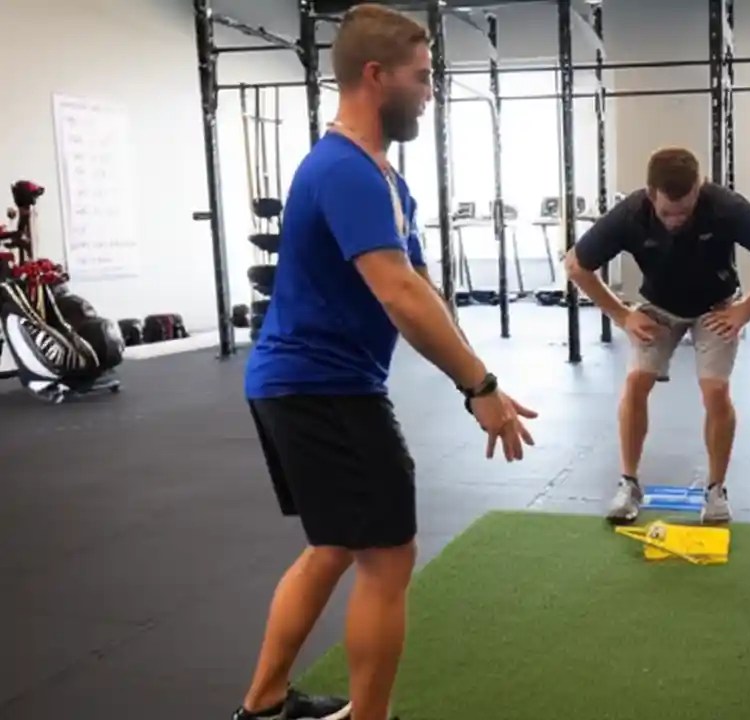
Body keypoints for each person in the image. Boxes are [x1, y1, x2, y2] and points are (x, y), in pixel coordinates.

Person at [233, 6, 536, 720]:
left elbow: (423, 287)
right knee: (388, 555)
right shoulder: (343, 171)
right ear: (376, 76)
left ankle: (264, 704)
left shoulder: (385, 179)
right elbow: (396, 293)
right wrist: (478, 385)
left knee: (336, 544)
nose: (430, 92)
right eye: (421, 77)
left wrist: (478, 375)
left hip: (310, 383)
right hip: (320, 385)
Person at [564, 147, 750, 526]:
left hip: (715, 307)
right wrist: (623, 316)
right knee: (636, 382)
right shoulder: (631, 214)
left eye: (684, 211)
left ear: (699, 189)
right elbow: (576, 265)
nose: (675, 220)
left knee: (715, 391)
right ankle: (629, 484)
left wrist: (745, 311)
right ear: (650, 195)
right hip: (659, 308)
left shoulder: (725, 207)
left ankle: (716, 490)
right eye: (666, 213)